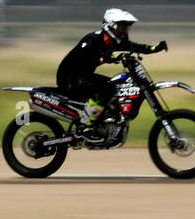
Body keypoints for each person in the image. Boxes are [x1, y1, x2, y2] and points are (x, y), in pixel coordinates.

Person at [56, 8, 166, 136]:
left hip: (84, 76)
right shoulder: (92, 40)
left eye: (126, 28)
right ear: (110, 26)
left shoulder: (114, 41)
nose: (124, 31)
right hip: (69, 78)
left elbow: (134, 47)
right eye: (121, 28)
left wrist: (154, 48)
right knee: (105, 88)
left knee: (114, 85)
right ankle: (86, 126)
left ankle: (105, 118)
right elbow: (88, 57)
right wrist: (108, 58)